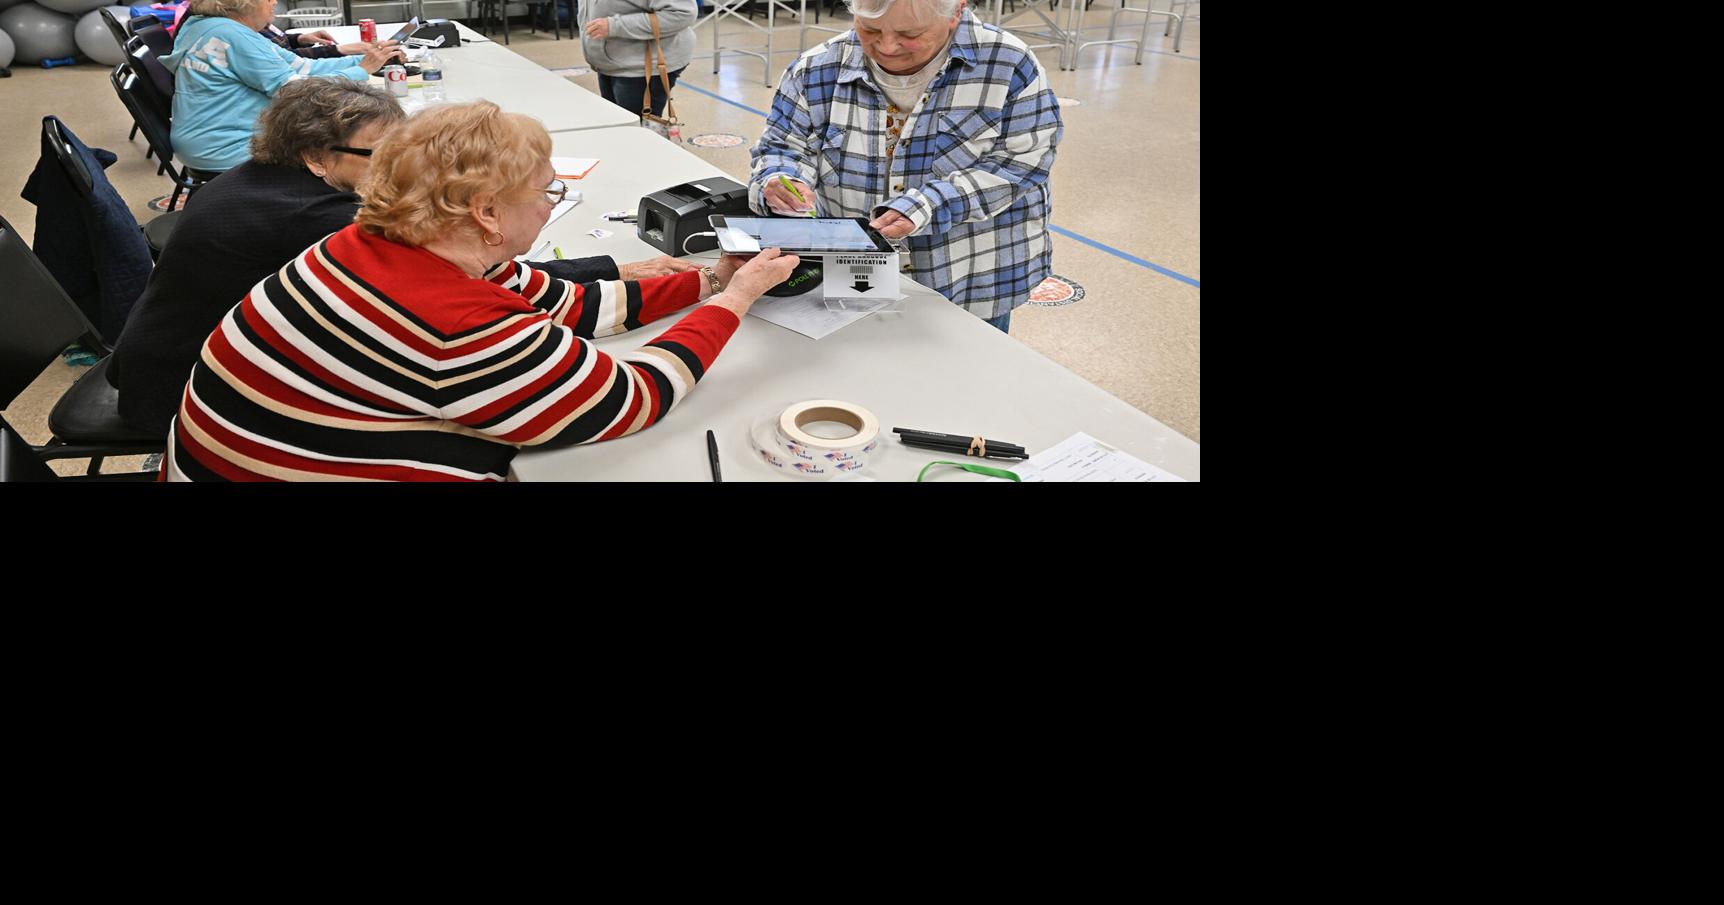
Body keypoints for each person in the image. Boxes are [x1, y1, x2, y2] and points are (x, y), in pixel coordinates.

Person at [162, 101, 799, 481]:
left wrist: (709, 277)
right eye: (548, 191)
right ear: (487, 213)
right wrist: (734, 301)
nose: (553, 203)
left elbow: (569, 304)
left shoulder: (382, 245)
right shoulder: (454, 324)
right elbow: (631, 398)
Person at [111, 80, 695, 439]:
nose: (405, 168)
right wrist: (728, 293)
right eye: (385, 153)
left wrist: (616, 274)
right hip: (172, 390)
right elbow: (623, 397)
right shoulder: (324, 225)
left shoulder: (281, 193)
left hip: (205, 383)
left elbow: (495, 278)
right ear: (317, 155)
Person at [750, 0, 1062, 333]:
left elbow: (1021, 163)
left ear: (955, 12)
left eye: (909, 33)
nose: (886, 47)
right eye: (869, 29)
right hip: (852, 275)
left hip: (968, 275)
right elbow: (782, 147)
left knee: (971, 376)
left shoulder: (1008, 64)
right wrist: (781, 179)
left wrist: (928, 205)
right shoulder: (815, 69)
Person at [161, 0, 396, 172]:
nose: (274, 2)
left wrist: (364, 61)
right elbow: (294, 92)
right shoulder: (231, 35)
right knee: (349, 152)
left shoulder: (206, 26)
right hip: (226, 147)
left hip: (204, 141)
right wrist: (361, 71)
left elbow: (300, 67)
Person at [579, 0, 696, 128]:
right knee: (619, 128)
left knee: (636, 133)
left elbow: (682, 13)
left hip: (641, 67)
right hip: (610, 62)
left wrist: (614, 26)